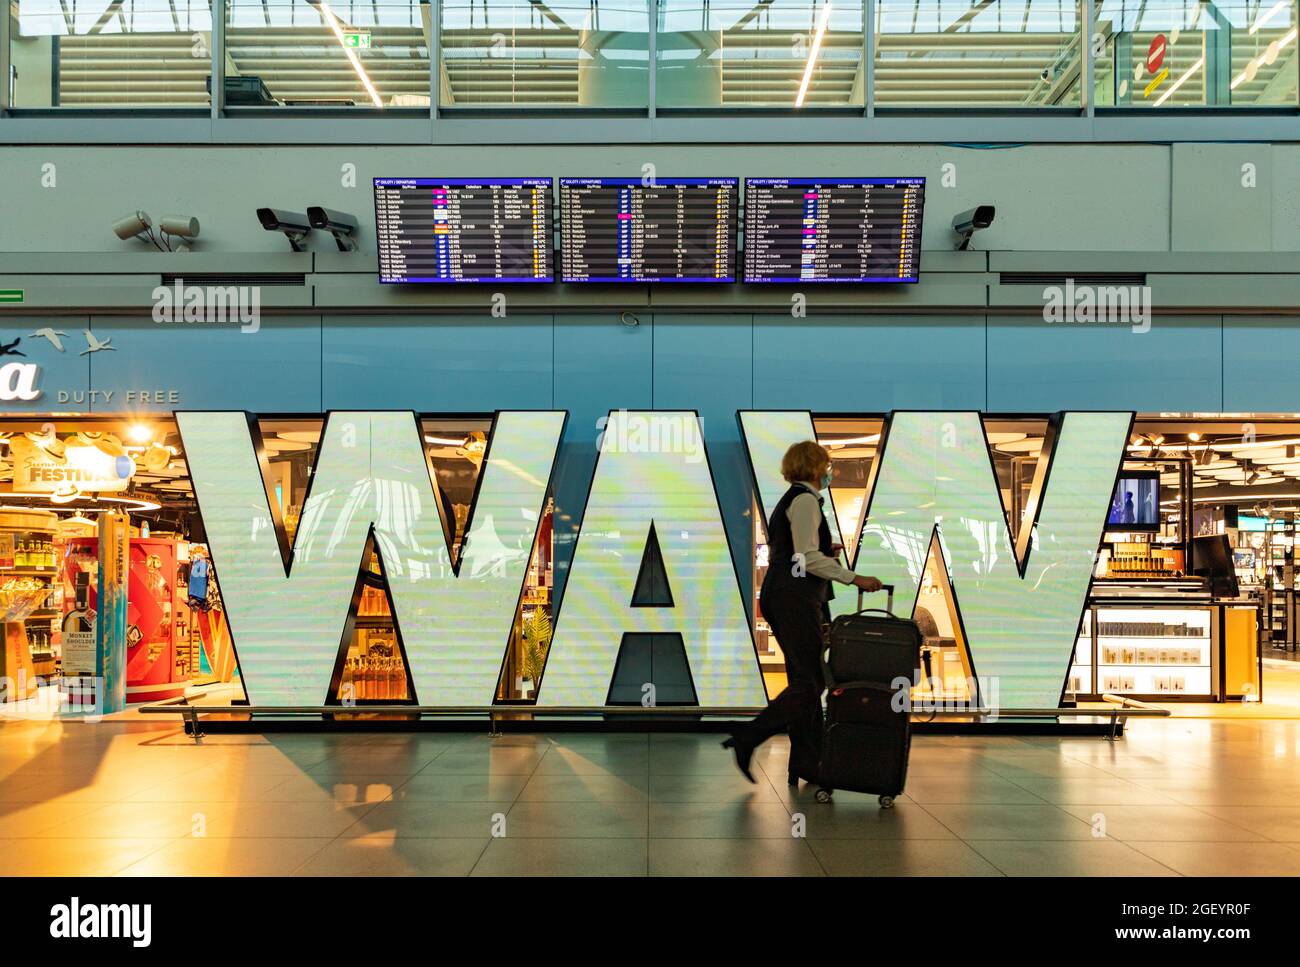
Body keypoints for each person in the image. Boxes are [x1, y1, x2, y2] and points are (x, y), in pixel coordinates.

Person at [723, 440, 883, 786]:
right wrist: (855, 578)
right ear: (815, 467)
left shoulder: (792, 500)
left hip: (783, 595)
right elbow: (807, 558)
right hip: (795, 599)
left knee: (804, 680)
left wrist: (827, 549)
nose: (830, 471)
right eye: (827, 465)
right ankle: (750, 735)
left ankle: (807, 763)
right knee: (814, 681)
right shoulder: (807, 500)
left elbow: (801, 551)